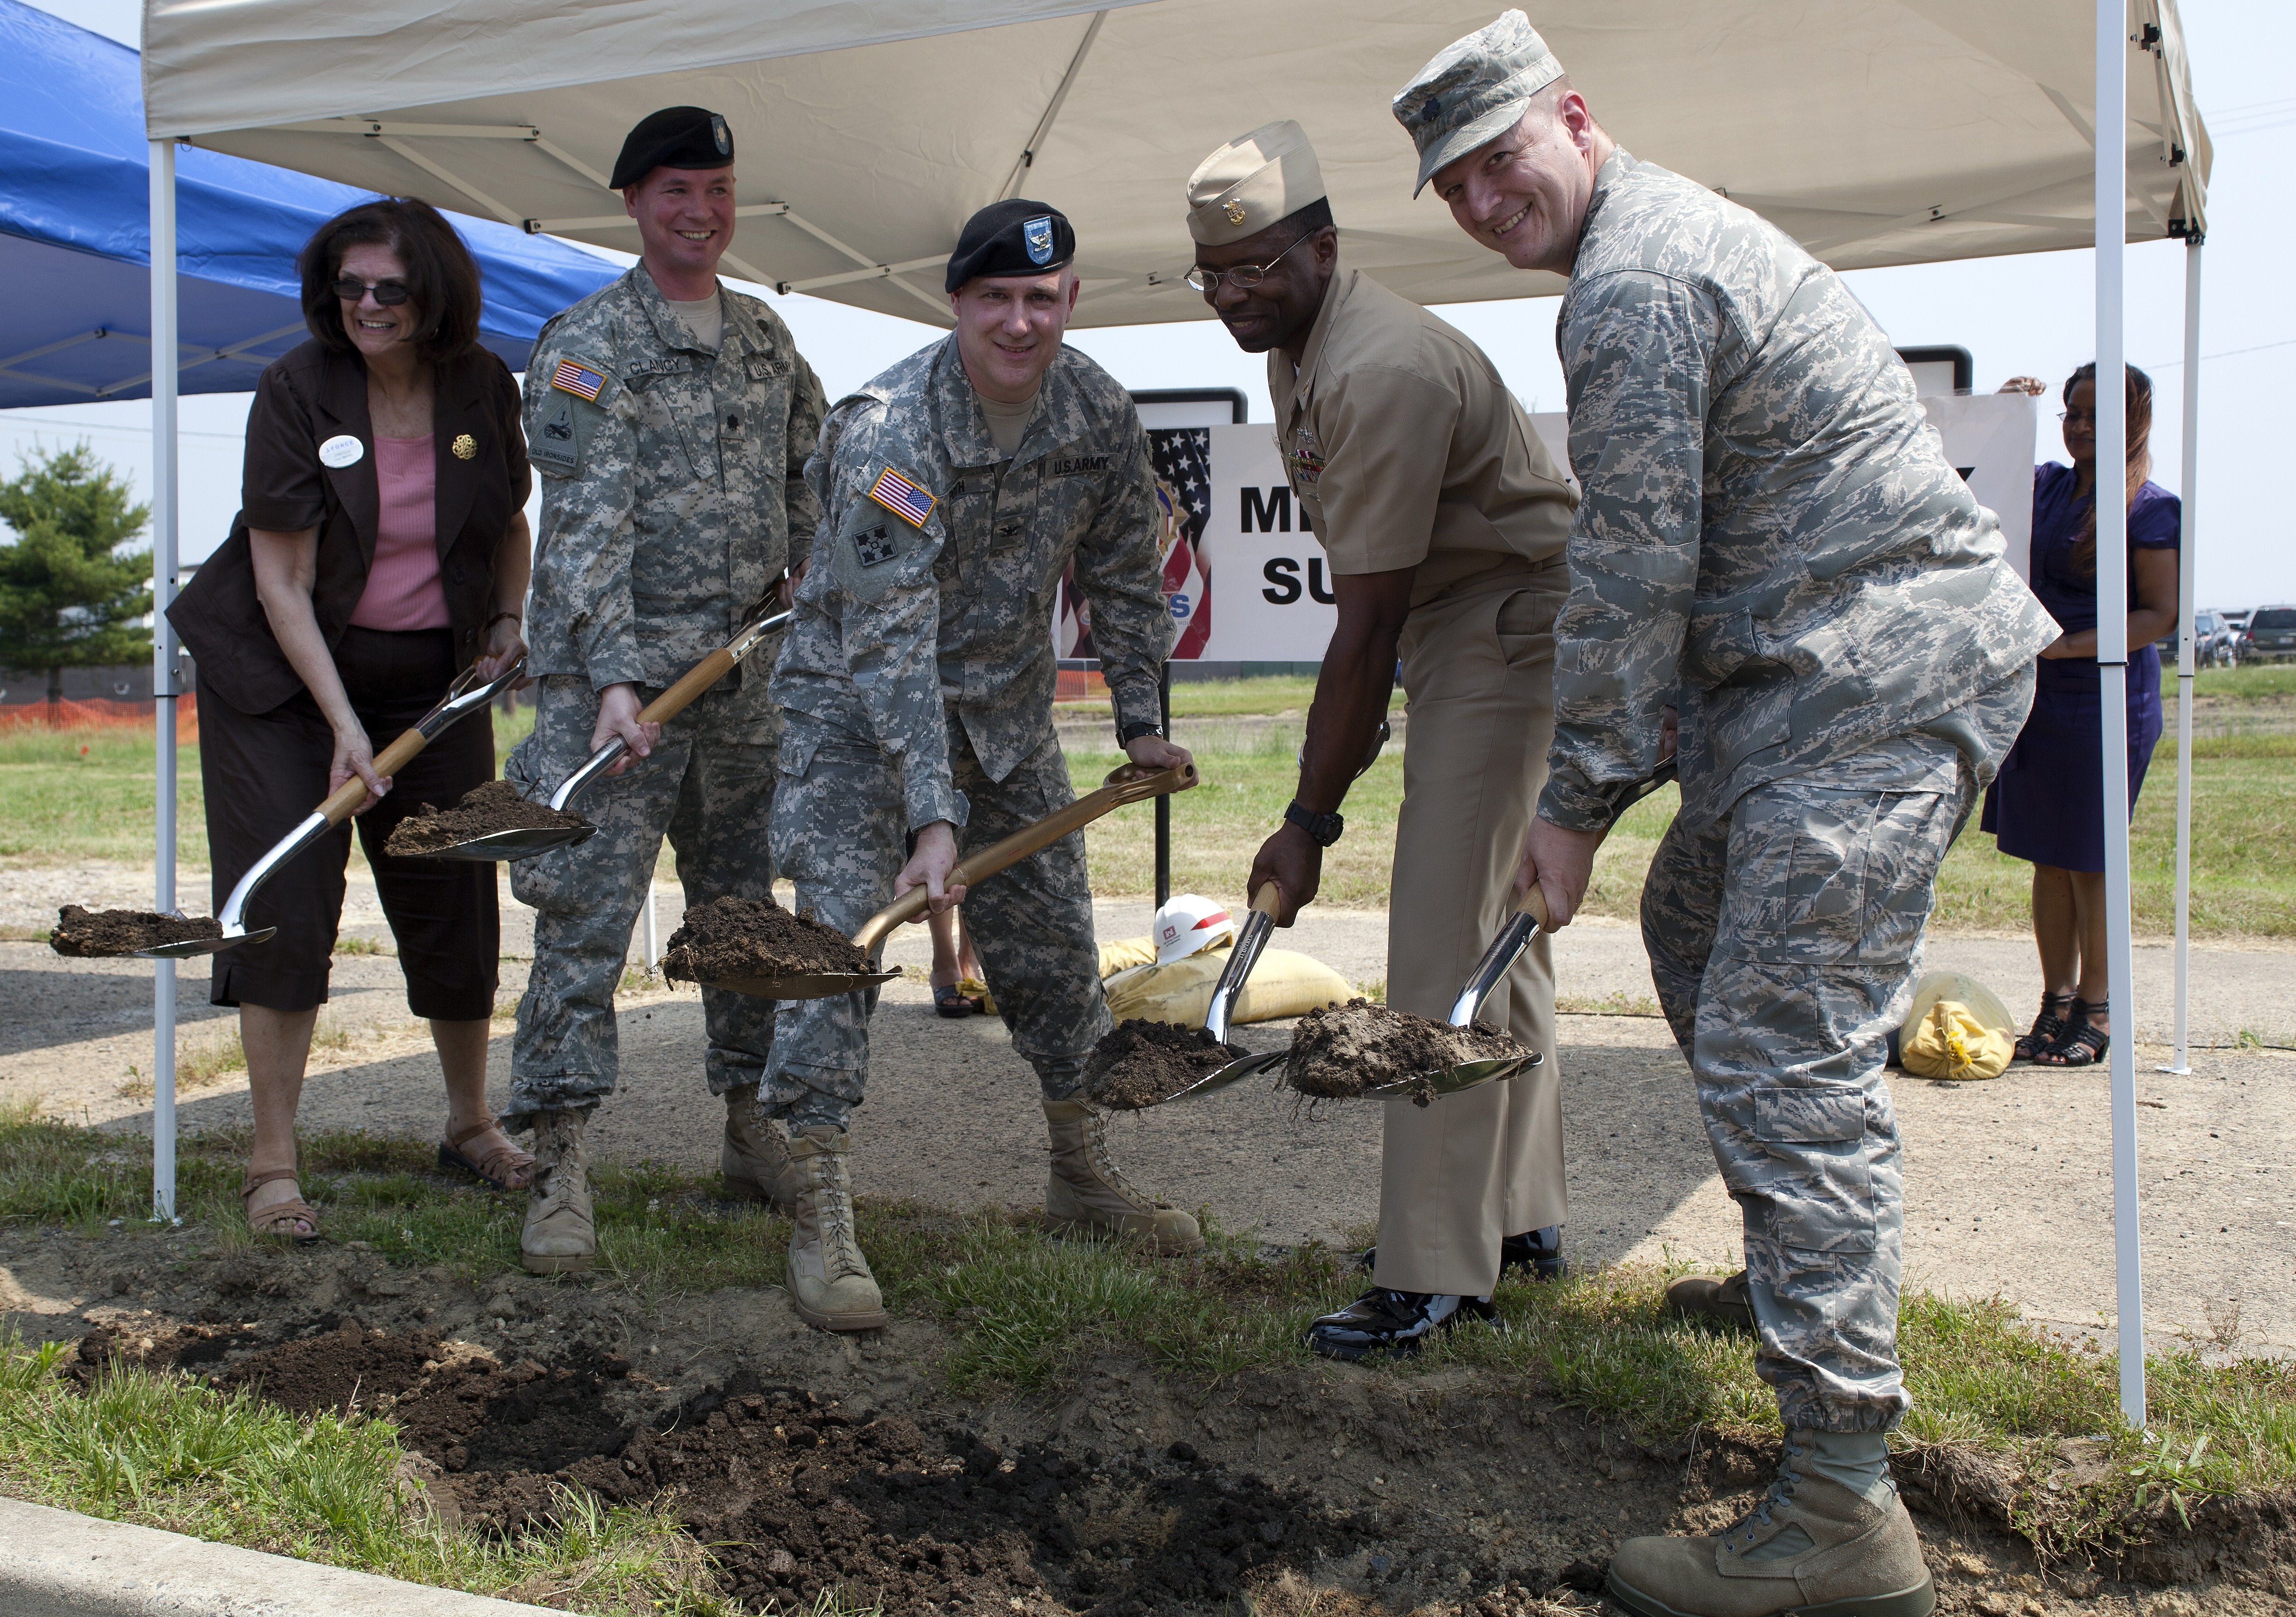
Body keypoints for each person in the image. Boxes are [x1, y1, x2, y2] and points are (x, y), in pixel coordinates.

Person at [1395, 14, 2054, 1617]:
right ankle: (1794, 1273)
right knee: (1694, 926)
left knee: (1783, 1057)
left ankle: (1841, 1504)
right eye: (1453, 186)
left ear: (1574, 117)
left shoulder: (1633, 284)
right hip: (1809, 681)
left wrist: (1574, 803)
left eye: (1499, 159)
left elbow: (1632, 571)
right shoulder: (1654, 241)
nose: (1482, 200)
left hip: (1869, 679)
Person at [765, 199, 1196, 1332]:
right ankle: (819, 1207)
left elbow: (1124, 573)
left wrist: (1139, 721)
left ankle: (1080, 1172)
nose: (1019, 322)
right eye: (995, 298)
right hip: (856, 720)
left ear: (1069, 302)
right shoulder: (891, 428)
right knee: (839, 947)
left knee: (1054, 950)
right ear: (955, 301)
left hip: (1005, 717)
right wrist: (930, 814)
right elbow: (888, 633)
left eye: (1040, 300)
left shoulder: (1096, 409)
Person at [1183, 121, 1577, 1361]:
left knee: (1437, 946)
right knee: (1496, 933)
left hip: (1501, 621)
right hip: (1458, 615)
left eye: (1258, 266)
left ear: (1323, 248)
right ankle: (1516, 1217)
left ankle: (1432, 1273)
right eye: (1213, 275)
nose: (1235, 295)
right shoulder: (1301, 347)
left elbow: (1363, 634)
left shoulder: (1377, 369)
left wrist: (1305, 823)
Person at [168, 197, 535, 1241]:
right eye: (348, 287)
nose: (366, 306)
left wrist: (507, 619)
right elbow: (281, 580)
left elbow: (509, 521)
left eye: (391, 289)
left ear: (436, 295)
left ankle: (469, 1125)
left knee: (453, 889)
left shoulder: (482, 384)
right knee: (286, 900)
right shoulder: (297, 387)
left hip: (433, 681)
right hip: (283, 686)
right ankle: (271, 1162)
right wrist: (341, 723)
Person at [504, 107, 828, 1275]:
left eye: (718, 189)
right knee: (587, 913)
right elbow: (581, 522)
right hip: (623, 689)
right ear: (635, 202)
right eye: (677, 190)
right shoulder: (587, 341)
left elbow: (813, 467)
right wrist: (609, 676)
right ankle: (559, 1158)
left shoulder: (765, 338)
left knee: (741, 909)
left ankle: (748, 1125)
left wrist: (806, 563)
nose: (702, 212)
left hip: (743, 677)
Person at [1985, 365, 2179, 1069]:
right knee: (2048, 857)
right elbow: (1977, 486)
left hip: (2105, 694)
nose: (2082, 426)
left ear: (2136, 422)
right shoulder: (2043, 487)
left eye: (2099, 414)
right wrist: (2005, 415)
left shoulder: (2150, 508)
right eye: (2073, 413)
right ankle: (2056, 1001)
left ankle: (2098, 1009)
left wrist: (2066, 647)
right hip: (2039, 695)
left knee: (2092, 861)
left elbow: (2159, 614)